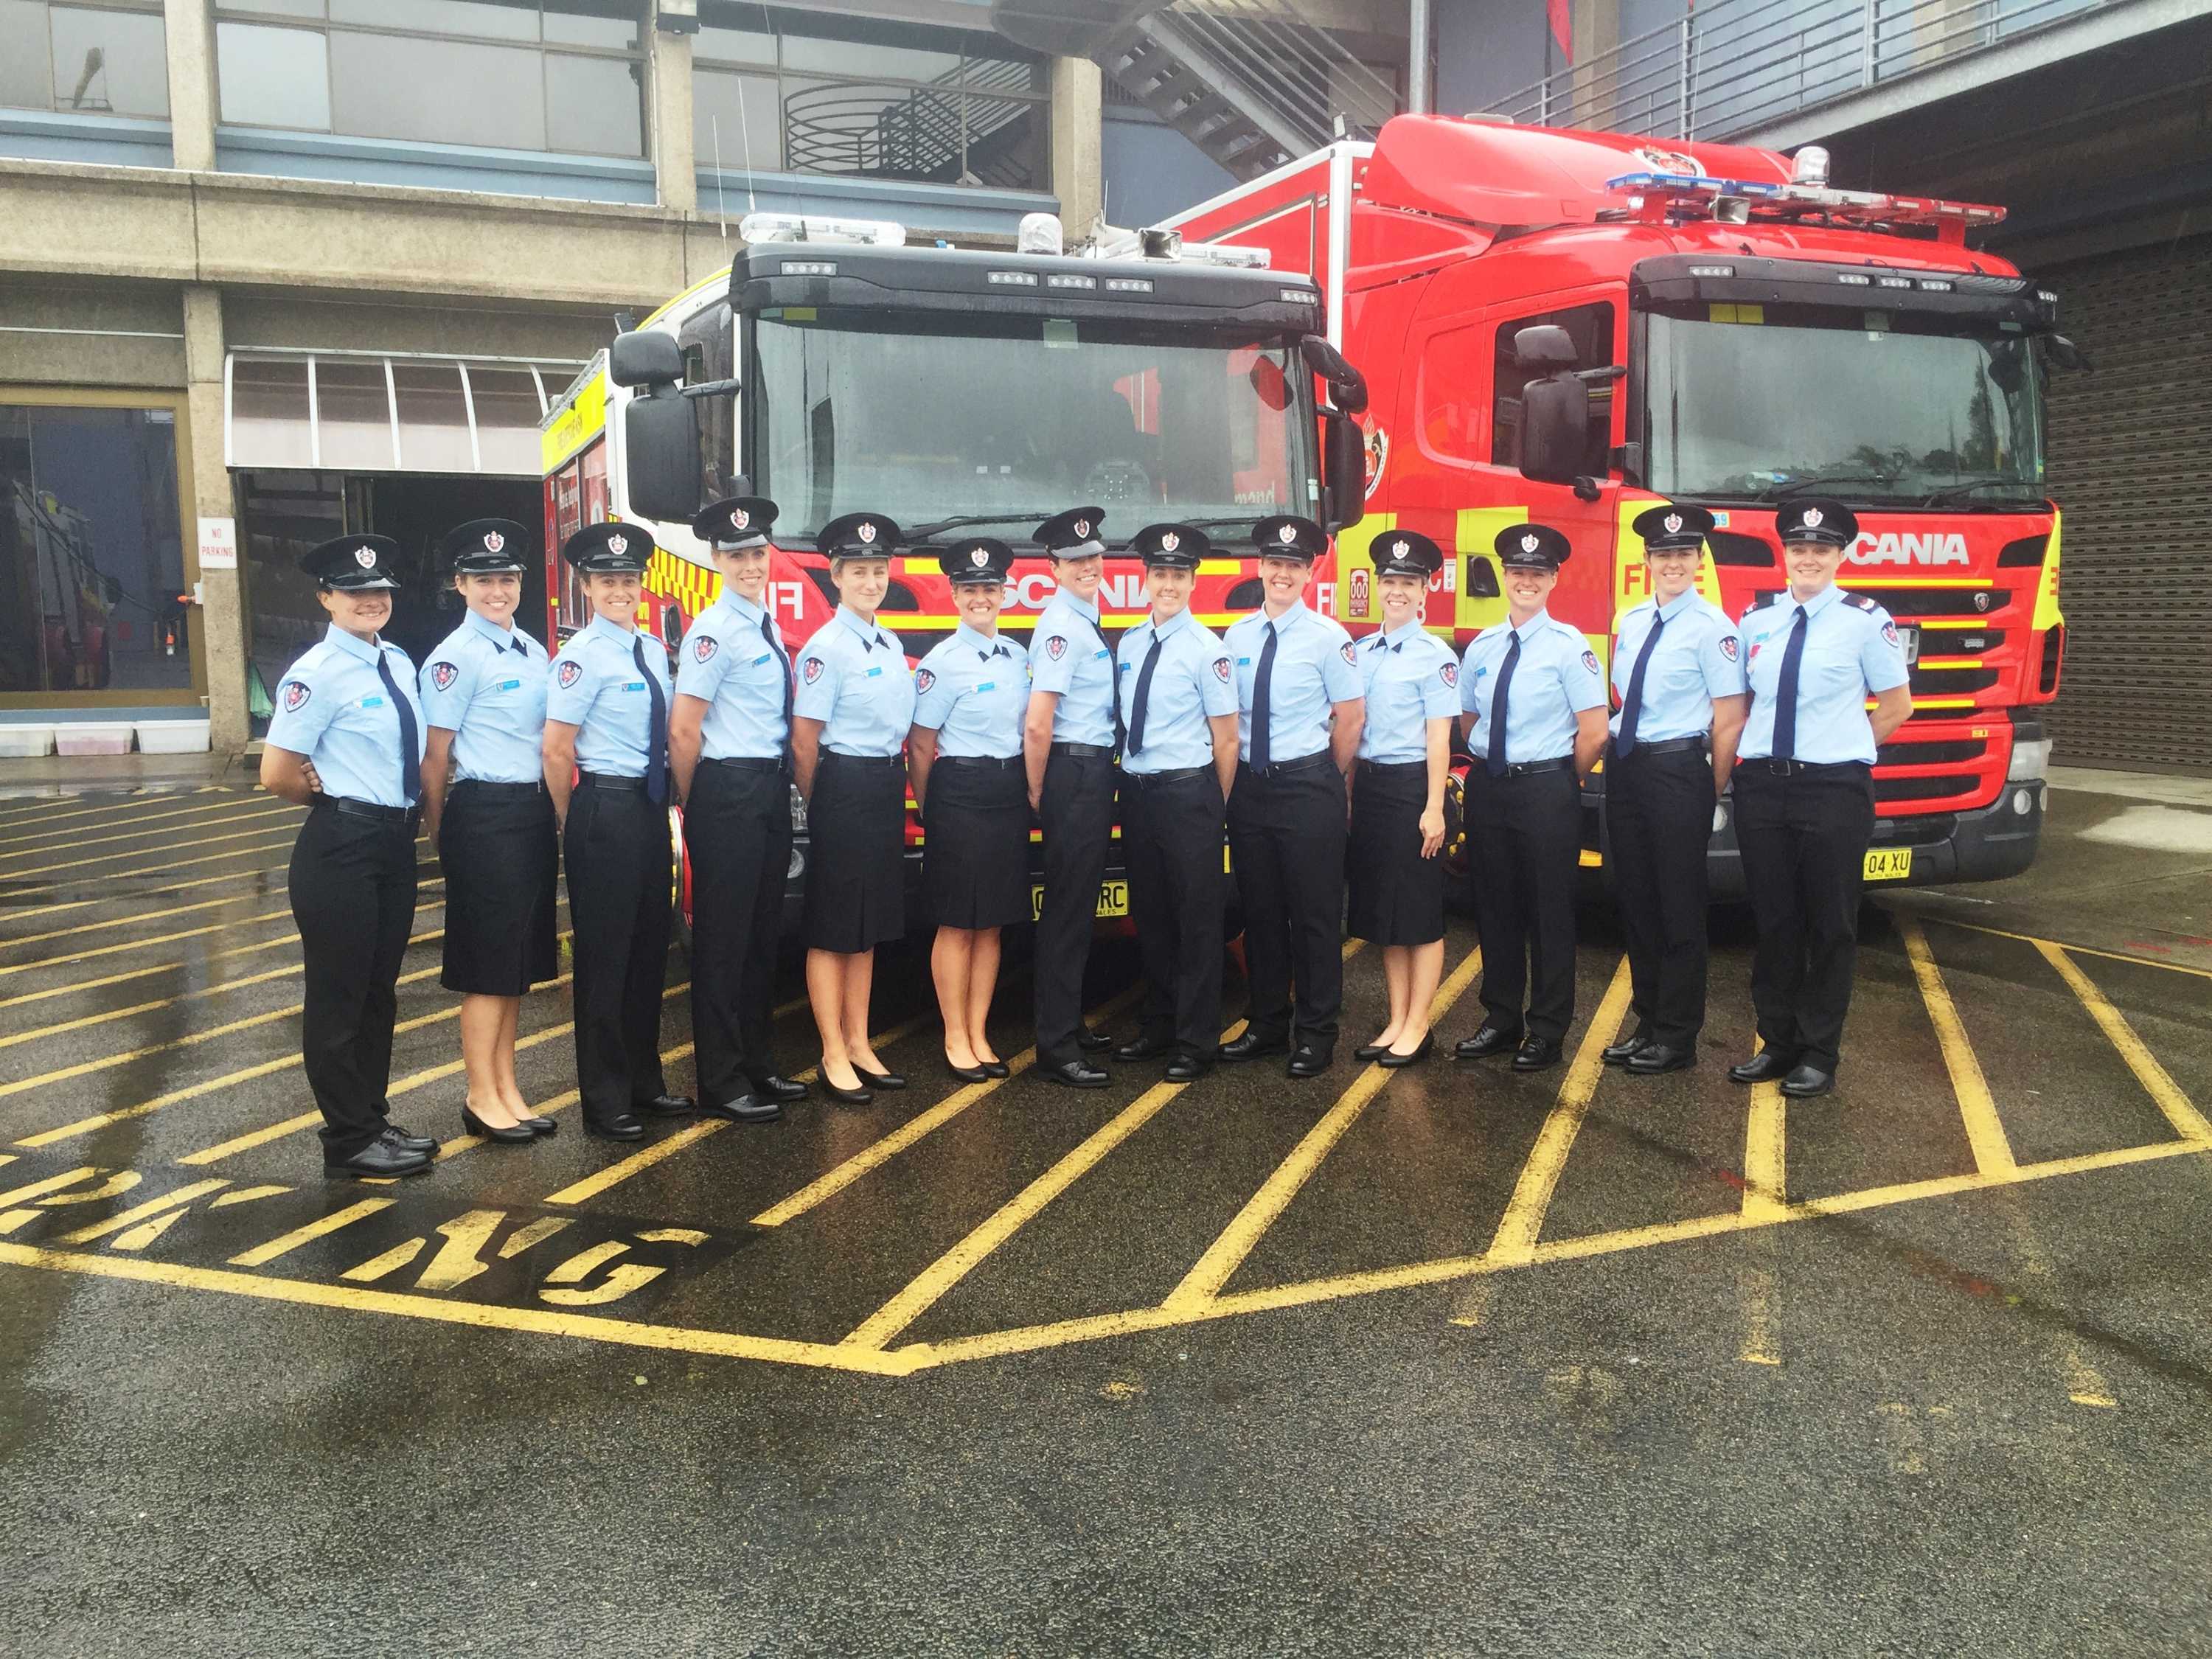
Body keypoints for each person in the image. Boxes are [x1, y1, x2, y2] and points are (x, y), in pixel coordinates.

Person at [259, 534, 434, 1178]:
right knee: (339, 997)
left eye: (379, 590)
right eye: (355, 591)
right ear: (326, 597)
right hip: (342, 848)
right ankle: (348, 1139)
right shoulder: (316, 674)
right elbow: (276, 772)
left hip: (393, 842)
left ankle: (372, 1119)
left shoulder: (398, 662)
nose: (370, 601)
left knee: (377, 993)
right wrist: (336, 803)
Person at [1729, 498, 1913, 1099]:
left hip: (1833, 787)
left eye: (1822, 550)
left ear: (1840, 556)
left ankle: (1819, 1053)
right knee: (1775, 919)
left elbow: (1896, 707)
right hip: (1762, 786)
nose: (1809, 559)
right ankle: (1776, 1041)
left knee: (1830, 924)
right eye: (1800, 549)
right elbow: (1743, 706)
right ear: (1786, 553)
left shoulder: (1866, 620)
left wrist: (1844, 746)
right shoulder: (1755, 620)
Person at [542, 522, 692, 1141]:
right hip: (602, 809)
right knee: (605, 963)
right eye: (607, 580)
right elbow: (556, 751)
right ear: (585, 586)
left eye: (628, 579)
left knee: (647, 955)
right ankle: (604, 1102)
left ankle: (643, 1082)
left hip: (649, 809)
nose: (620, 590)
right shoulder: (580, 658)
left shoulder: (654, 649)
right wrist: (568, 820)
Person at [417, 518, 557, 1148]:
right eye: (483, 579)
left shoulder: (532, 650)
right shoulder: (454, 659)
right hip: (482, 814)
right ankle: (480, 1094)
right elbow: (434, 758)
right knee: (485, 965)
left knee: (516, 963)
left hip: (527, 813)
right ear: (460, 585)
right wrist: (444, 834)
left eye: (506, 578)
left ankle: (507, 1086)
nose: (497, 590)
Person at [1452, 524, 1609, 1072]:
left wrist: (1561, 776)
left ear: (1553, 580)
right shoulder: (1484, 648)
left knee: (1548, 912)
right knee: (1494, 907)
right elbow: (1471, 717)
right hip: (1490, 786)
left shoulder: (1570, 648)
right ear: (1504, 576)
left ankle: (1546, 1028)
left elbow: (1594, 729)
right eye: (1517, 572)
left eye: (1536, 574)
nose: (1526, 581)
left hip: (1547, 788)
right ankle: (1501, 1018)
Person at [1601, 504, 1751, 1077]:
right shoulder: (1633, 619)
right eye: (1663, 554)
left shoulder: (1716, 630)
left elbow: (1730, 719)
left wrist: (1704, 789)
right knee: (1637, 900)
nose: (1673, 563)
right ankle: (1648, 1021)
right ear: (1647, 560)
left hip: (1679, 772)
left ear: (1698, 561)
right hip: (1629, 766)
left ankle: (1679, 1034)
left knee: (1679, 906)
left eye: (1683, 554)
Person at [669, 495, 805, 1127]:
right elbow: (683, 732)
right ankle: (721, 1081)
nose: (752, 564)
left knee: (760, 939)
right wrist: (701, 804)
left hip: (769, 790)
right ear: (717, 558)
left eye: (758, 553)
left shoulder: (764, 623)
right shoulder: (712, 630)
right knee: (722, 945)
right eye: (738, 555)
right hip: (727, 792)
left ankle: (757, 1062)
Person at [1218, 515, 1365, 1077]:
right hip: (1252, 791)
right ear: (1260, 568)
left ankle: (1316, 1032)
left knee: (1315, 916)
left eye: (1294, 565)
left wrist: (1322, 774)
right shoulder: (1236, 637)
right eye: (1274, 563)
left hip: (1308, 787)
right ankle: (1267, 1023)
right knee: (1261, 912)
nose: (1282, 573)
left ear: (1309, 572)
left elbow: (1351, 720)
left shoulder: (1329, 639)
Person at [791, 511, 918, 1104]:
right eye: (859, 572)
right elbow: (804, 739)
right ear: (835, 576)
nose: (872, 581)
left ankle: (861, 1041)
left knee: (867, 927)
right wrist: (823, 801)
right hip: (841, 786)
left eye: (879, 570)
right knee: (834, 927)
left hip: (884, 786)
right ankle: (832, 1051)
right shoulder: (826, 648)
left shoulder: (889, 641)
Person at [1110, 524, 1242, 1081]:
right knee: (1152, 915)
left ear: (1193, 581)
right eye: (1160, 573)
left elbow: (1228, 739)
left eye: (1178, 575)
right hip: (1138, 793)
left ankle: (1195, 1041)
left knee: (1196, 920)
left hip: (1190, 794)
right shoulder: (1131, 642)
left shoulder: (1209, 650)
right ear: (1145, 579)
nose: (1168, 583)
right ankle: (1159, 1022)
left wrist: (1213, 805)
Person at [908, 538, 1030, 1081]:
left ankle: (979, 1031)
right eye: (970, 589)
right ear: (954, 595)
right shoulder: (942, 663)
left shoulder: (1018, 657)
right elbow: (919, 745)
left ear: (1005, 593)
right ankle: (954, 1035)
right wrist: (933, 808)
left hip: (1007, 793)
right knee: (958, 923)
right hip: (957, 793)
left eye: (990, 588)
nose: (981, 598)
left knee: (993, 925)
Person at [1346, 530, 1456, 1069]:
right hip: (1370, 789)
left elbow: (1440, 736)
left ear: (1424, 591)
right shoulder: (1361, 652)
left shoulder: (1435, 656)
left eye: (1408, 583)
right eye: (1390, 581)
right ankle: (1396, 1019)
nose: (1397, 591)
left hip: (1414, 789)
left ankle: (1420, 1024)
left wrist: (1434, 806)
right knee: (1382, 914)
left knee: (1418, 914)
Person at [1024, 506, 1121, 1089]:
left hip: (1088, 772)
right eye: (1075, 560)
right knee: (1065, 912)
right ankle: (1056, 1047)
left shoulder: (1085, 616)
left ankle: (1071, 1024)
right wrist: (1041, 787)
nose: (1088, 566)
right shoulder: (1062, 625)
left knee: (1082, 906)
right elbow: (1040, 723)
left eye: (1094, 556)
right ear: (1054, 568)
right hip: (1073, 772)